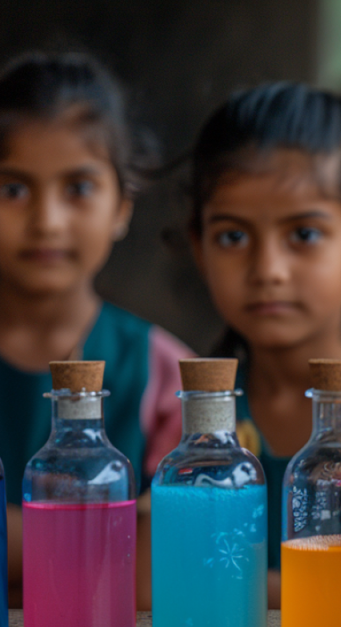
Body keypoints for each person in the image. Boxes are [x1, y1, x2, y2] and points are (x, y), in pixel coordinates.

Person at [186, 82, 341, 608]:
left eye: (304, 234)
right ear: (199, 248)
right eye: (232, 236)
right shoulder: (183, 417)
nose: (268, 270)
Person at [0, 51, 193, 608]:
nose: (47, 220)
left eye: (78, 188)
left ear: (122, 206)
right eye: (13, 189)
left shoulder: (165, 374)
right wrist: (102, 530)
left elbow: (169, 555)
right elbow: (128, 545)